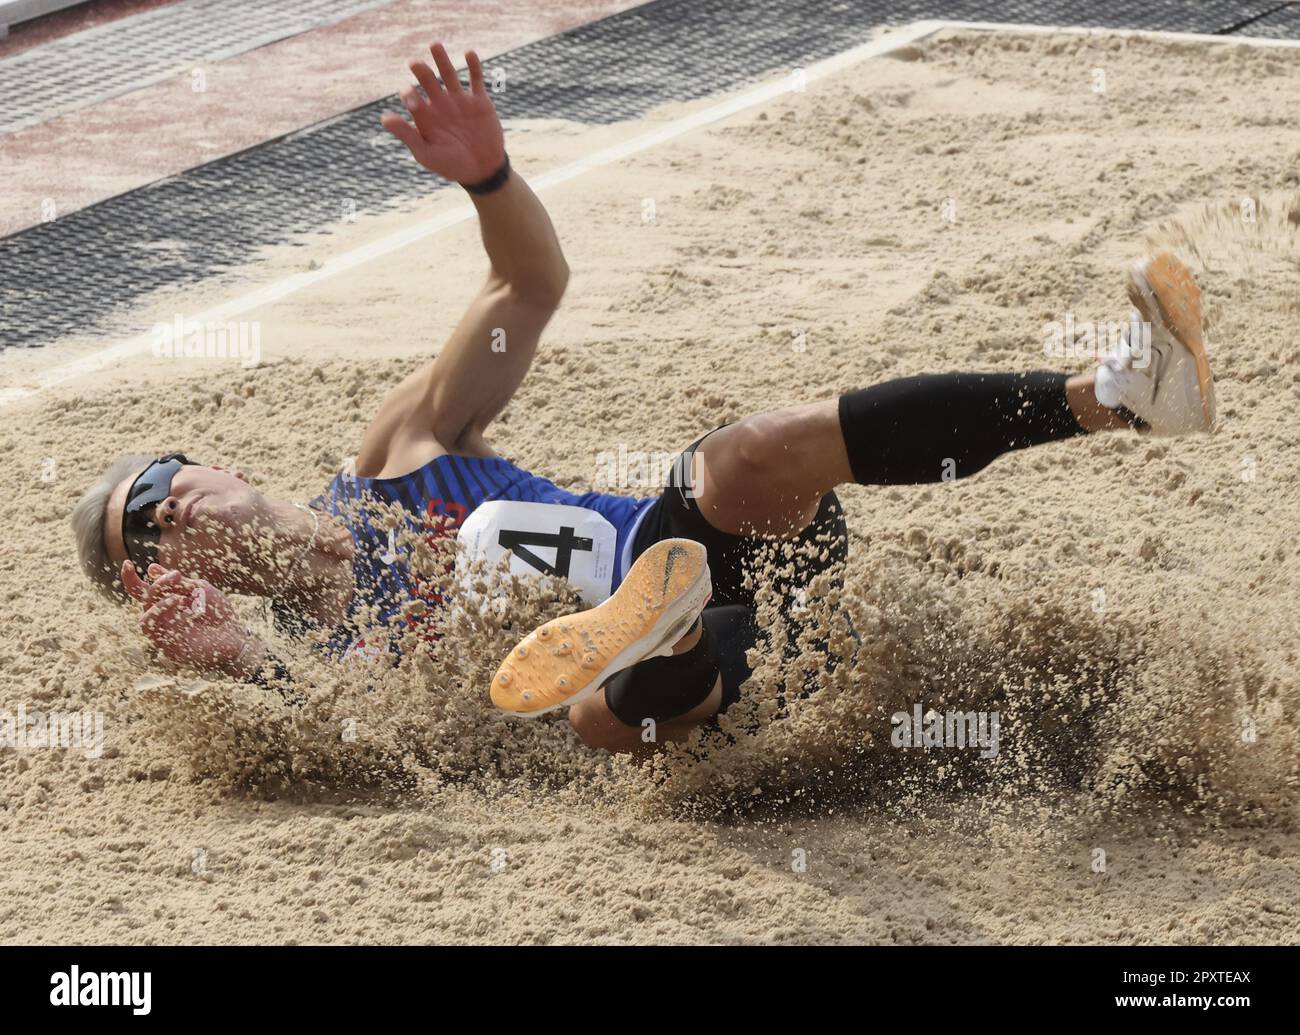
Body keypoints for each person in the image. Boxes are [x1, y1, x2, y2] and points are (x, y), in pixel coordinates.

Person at [70, 43, 1216, 756]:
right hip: (690, 716)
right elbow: (375, 763)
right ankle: (652, 640)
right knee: (593, 707)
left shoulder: (396, 454)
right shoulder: (311, 665)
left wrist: (487, 178)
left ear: (210, 463)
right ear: (173, 595)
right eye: (147, 548)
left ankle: (1117, 395)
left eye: (160, 492)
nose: (172, 522)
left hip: (725, 553)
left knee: (738, 459)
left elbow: (530, 284)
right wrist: (245, 671)